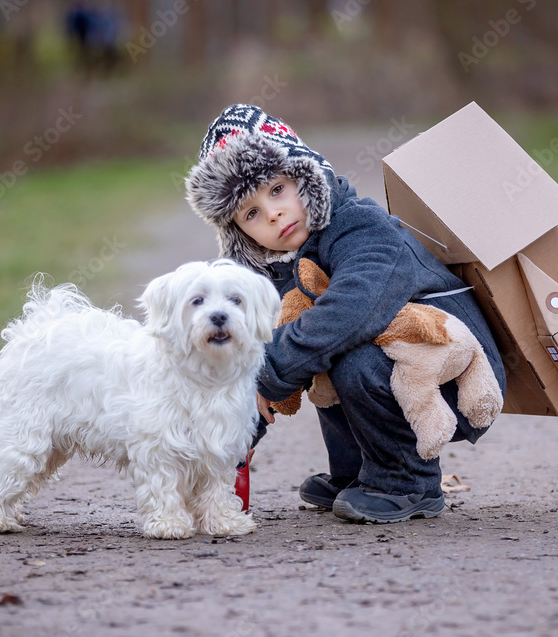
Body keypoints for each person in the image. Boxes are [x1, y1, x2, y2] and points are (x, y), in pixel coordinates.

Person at [185, 104, 506, 524]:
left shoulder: (360, 225)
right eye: (251, 213)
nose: (273, 214)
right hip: (397, 362)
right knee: (307, 343)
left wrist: (269, 371)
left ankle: (407, 479)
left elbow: (353, 313)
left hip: (452, 372)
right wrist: (237, 427)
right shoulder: (279, 265)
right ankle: (358, 472)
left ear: (304, 174)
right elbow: (257, 351)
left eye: (277, 190)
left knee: (336, 344)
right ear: (237, 231)